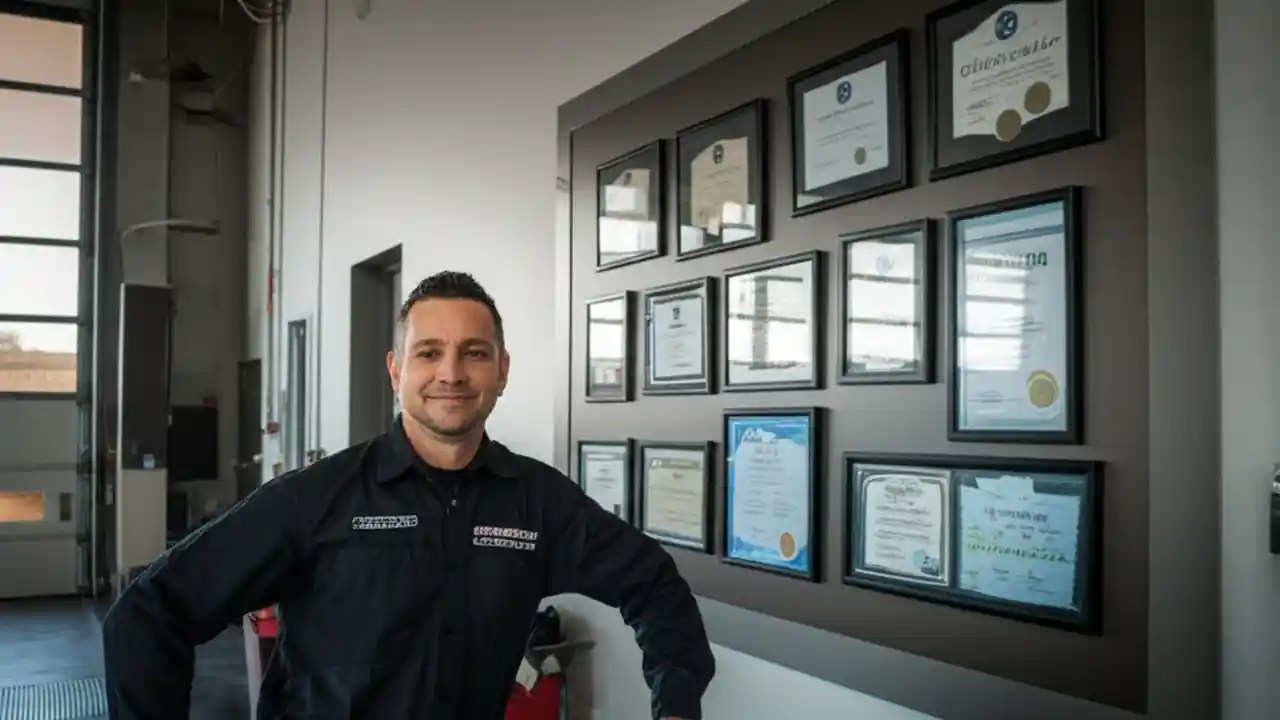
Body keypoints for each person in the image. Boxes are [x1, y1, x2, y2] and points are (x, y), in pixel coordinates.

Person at [102, 271, 715, 719]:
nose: (452, 372)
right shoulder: (317, 499)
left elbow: (654, 585)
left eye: (474, 353)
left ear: (502, 370)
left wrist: (678, 706)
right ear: (396, 371)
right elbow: (148, 615)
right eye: (430, 352)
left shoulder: (538, 504)